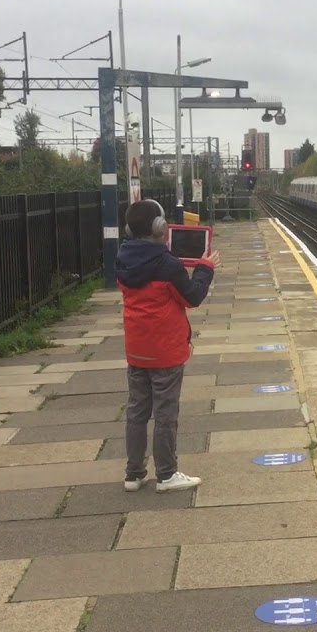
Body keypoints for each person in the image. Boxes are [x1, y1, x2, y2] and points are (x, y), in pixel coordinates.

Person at [116, 199, 219, 492]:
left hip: (136, 348)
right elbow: (192, 297)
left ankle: (133, 474)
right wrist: (204, 268)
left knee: (136, 410)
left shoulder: (122, 257)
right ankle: (167, 474)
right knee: (165, 414)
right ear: (161, 227)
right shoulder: (167, 264)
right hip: (165, 350)